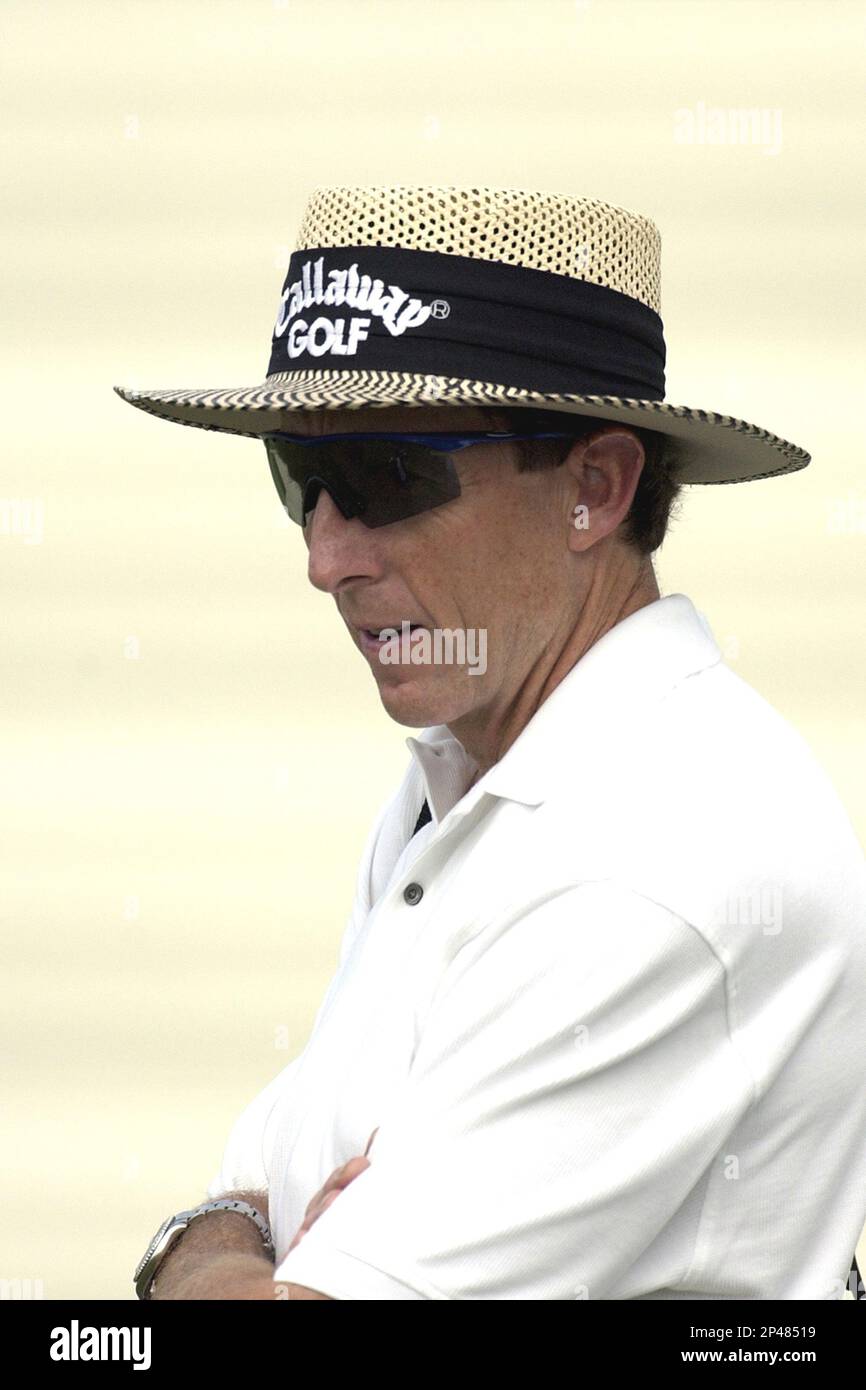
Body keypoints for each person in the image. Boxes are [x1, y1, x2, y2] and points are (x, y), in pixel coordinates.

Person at [120, 184, 866, 1301]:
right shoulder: (485, 768)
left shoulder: (650, 858)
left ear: (594, 487)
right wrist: (233, 1241)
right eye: (300, 477)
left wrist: (221, 1257)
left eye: (385, 476)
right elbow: (257, 1182)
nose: (326, 559)